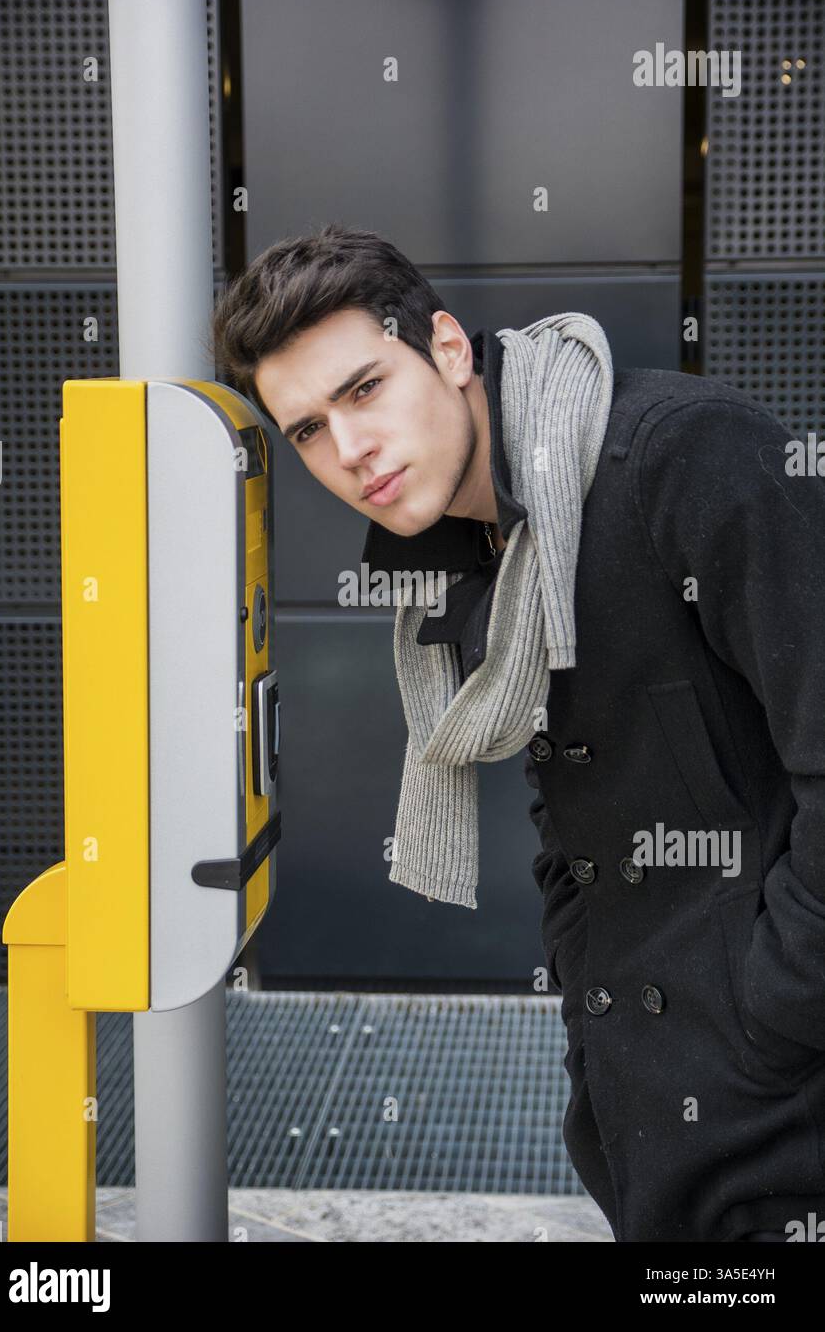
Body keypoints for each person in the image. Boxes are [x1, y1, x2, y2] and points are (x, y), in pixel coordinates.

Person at [211, 221, 825, 1243]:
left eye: (363, 388)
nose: (348, 449)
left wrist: (774, 1011)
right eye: (307, 429)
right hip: (638, 1101)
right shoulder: (475, 541)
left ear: (446, 349)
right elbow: (574, 794)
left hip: (781, 1108)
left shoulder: (686, 456)